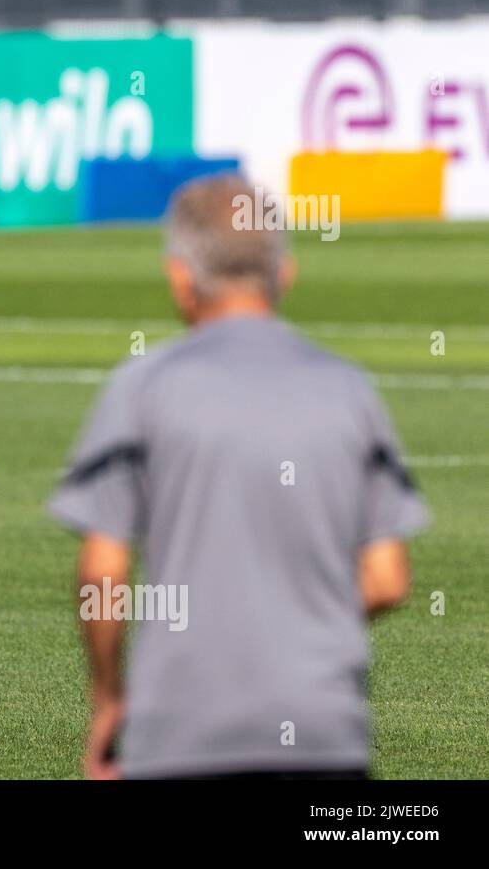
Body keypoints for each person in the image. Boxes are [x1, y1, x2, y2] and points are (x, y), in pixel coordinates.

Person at [49, 173, 428, 778]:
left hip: (180, 731)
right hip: (322, 733)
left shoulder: (143, 388)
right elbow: (386, 580)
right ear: (284, 274)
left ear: (180, 279)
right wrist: (298, 622)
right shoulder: (348, 390)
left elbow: (103, 572)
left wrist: (109, 700)